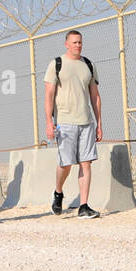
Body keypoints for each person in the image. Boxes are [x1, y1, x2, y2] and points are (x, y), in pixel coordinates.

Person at [43, 30, 104, 218]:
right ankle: (58, 192)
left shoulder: (88, 65)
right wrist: (49, 122)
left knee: (86, 163)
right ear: (66, 44)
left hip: (86, 121)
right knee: (66, 163)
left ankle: (84, 206)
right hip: (65, 121)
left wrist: (99, 123)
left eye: (80, 42)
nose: (78, 45)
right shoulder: (57, 64)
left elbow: (95, 96)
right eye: (74, 42)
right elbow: (49, 95)